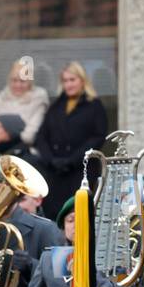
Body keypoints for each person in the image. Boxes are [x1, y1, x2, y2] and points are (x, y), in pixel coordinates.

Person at [34, 62, 108, 218]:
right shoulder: (56, 106)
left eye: (72, 79)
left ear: (82, 80)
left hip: (81, 171)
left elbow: (98, 136)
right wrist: (51, 160)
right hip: (55, 172)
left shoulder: (94, 105)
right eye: (65, 80)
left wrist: (72, 160)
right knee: (55, 215)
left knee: (78, 214)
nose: (68, 84)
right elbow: (41, 136)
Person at [0, 59, 50, 169]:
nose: (18, 85)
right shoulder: (1, 98)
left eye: (22, 81)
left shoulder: (38, 99)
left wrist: (2, 129)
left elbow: (29, 135)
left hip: (24, 155)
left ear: (29, 82)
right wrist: (5, 129)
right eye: (14, 80)